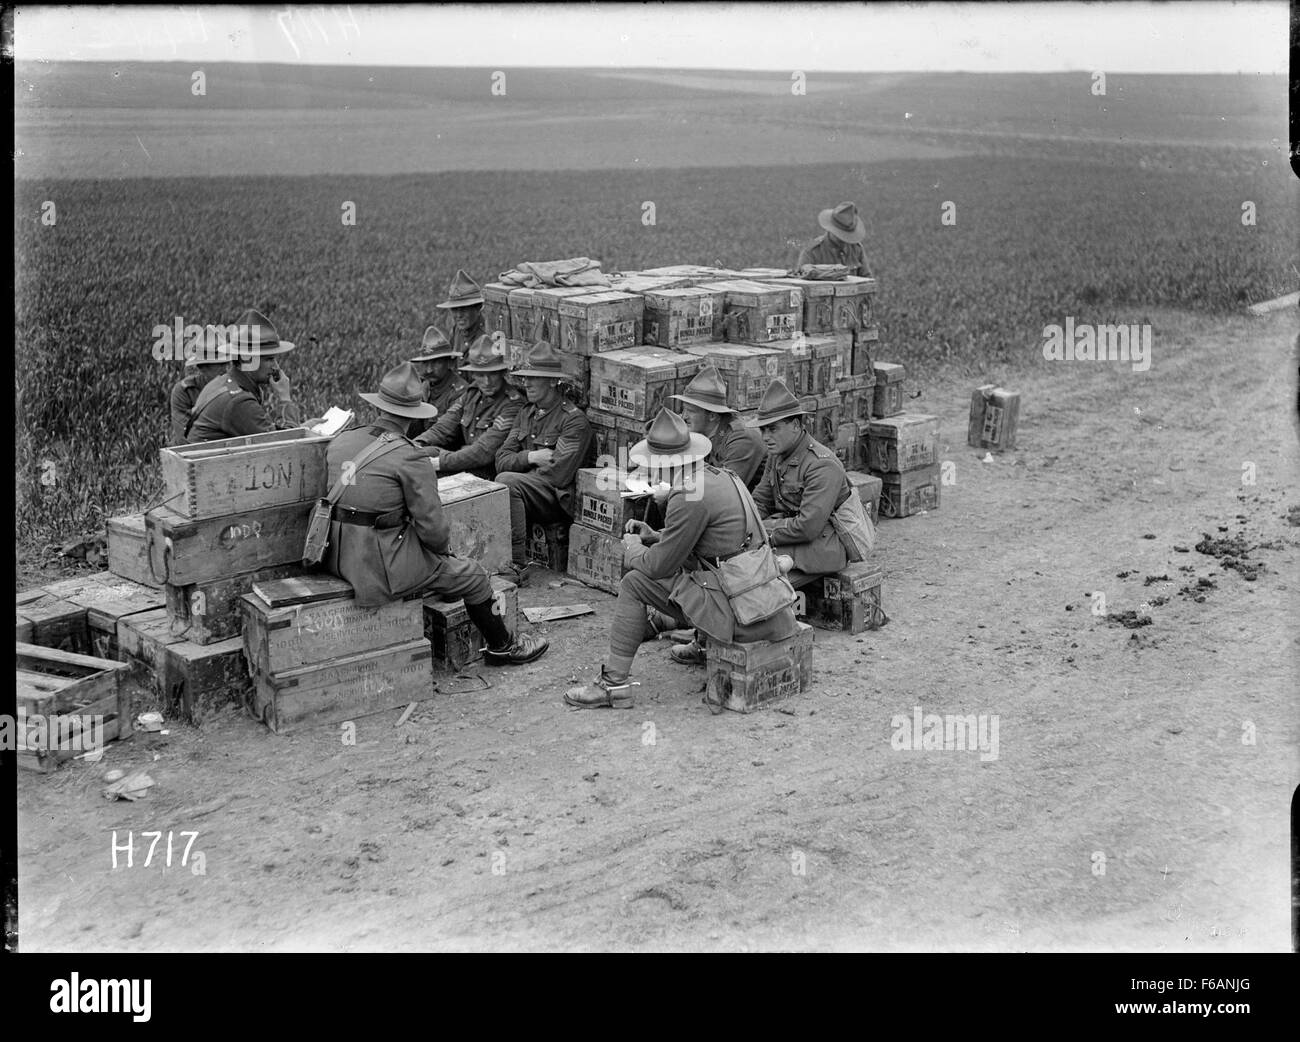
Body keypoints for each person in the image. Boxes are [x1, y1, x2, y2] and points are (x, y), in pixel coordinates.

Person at [564, 408, 799, 710]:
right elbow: (712, 545)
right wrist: (656, 535)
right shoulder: (720, 477)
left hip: (742, 614)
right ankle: (704, 645)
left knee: (634, 583)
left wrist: (633, 547)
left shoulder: (687, 495)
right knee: (695, 572)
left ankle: (614, 684)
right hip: (762, 602)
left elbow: (658, 566)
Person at [322, 361, 547, 665]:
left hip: (332, 550)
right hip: (375, 564)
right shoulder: (410, 456)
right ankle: (502, 646)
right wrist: (445, 558)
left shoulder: (344, 440)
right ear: (411, 416)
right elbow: (435, 532)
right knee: (472, 576)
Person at [495, 340, 595, 573]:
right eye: (525, 377)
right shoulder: (526, 413)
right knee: (499, 481)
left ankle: (516, 565)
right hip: (531, 488)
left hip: (555, 499)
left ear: (552, 381)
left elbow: (557, 474)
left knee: (507, 482)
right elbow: (501, 459)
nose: (526, 383)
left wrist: (517, 470)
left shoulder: (572, 420)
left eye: (534, 377)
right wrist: (530, 457)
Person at [748, 379, 855, 591]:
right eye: (763, 430)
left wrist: (759, 532)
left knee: (750, 574)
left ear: (796, 426)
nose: (766, 437)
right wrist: (745, 525)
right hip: (786, 537)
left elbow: (807, 527)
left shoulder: (822, 464)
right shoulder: (777, 455)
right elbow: (760, 501)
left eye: (773, 429)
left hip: (820, 548)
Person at [414, 333, 524, 481]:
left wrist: (440, 462)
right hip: (464, 463)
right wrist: (414, 445)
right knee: (420, 454)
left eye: (492, 374)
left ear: (502, 372)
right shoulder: (471, 395)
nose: (487, 381)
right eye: (480, 375)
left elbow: (484, 451)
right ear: (473, 374)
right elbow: (443, 427)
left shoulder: (513, 403)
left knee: (424, 472)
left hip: (488, 473)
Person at [186, 308, 303, 442]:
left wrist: (305, 426)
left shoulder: (223, 383)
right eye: (269, 359)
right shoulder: (239, 401)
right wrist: (285, 398)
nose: (276, 366)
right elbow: (288, 445)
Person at [668, 365, 766, 490]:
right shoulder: (703, 431)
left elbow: (725, 489)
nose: (684, 416)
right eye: (683, 409)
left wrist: (673, 492)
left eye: (691, 411)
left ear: (712, 416)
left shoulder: (741, 439)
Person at [168, 326, 229, 445]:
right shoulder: (185, 391)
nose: (225, 369)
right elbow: (186, 436)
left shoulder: (234, 388)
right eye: (219, 364)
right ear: (202, 367)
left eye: (227, 363)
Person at [407, 325, 467, 438]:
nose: (429, 369)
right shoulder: (421, 385)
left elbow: (449, 433)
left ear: (448, 362)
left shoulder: (459, 392)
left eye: (436, 363)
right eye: (426, 363)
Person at [795, 201, 873, 278]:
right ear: (831, 229)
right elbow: (802, 282)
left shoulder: (857, 249)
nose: (844, 240)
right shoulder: (812, 252)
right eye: (841, 235)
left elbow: (868, 280)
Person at [436, 268, 486, 358]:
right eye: (454, 309)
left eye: (464, 309)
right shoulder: (457, 330)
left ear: (478, 307)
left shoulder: (487, 335)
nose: (459, 315)